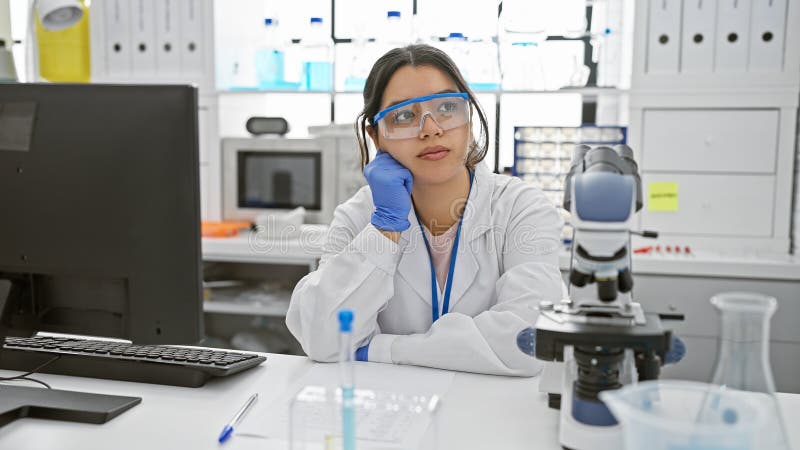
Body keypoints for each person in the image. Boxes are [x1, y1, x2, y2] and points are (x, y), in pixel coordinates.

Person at [285, 44, 564, 376]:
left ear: (469, 118)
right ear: (377, 136)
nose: (431, 128)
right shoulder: (359, 216)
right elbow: (324, 338)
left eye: (447, 107)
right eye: (404, 115)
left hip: (491, 414)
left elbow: (529, 341)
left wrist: (381, 348)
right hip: (387, 413)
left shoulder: (521, 208)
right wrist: (385, 228)